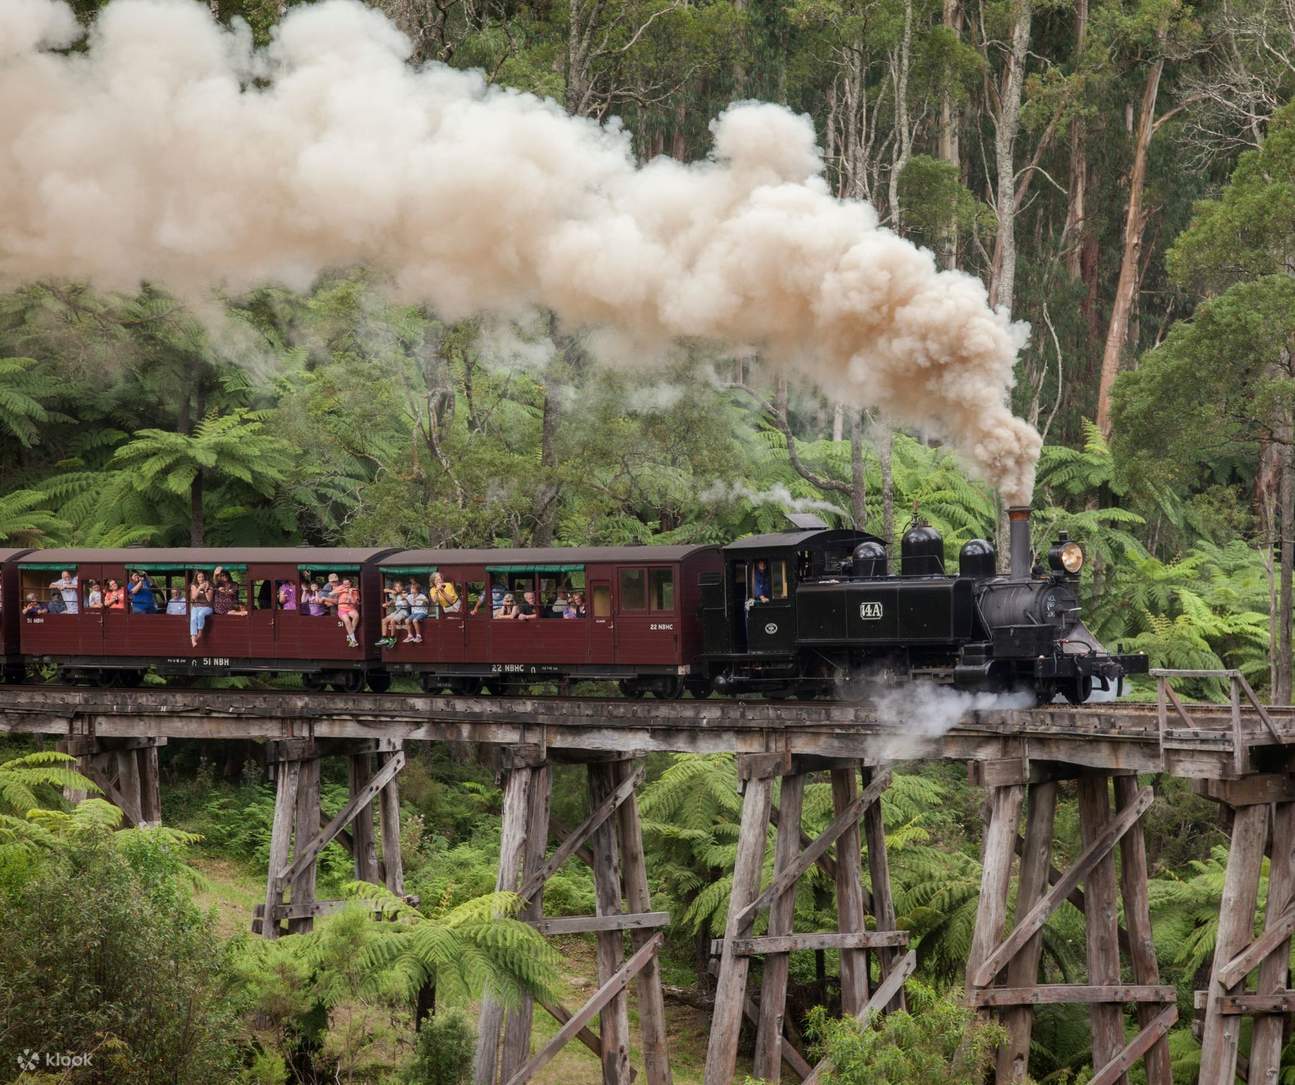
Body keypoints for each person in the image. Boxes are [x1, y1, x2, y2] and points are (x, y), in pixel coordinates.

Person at [328, 577, 360, 647]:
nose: (346, 585)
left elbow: (354, 602)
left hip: (351, 608)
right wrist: (342, 591)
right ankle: (353, 640)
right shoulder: (341, 587)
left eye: (348, 584)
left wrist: (350, 593)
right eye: (345, 584)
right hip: (342, 609)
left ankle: (350, 635)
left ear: (350, 583)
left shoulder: (354, 590)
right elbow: (331, 594)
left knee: (356, 616)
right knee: (347, 621)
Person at [189, 570, 215, 647]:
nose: (201, 578)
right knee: (193, 619)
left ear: (204, 577)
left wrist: (205, 589)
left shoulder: (209, 586)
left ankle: (200, 632)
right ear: (196, 578)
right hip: (196, 606)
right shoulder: (194, 586)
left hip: (207, 607)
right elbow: (193, 597)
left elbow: (209, 599)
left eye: (202, 577)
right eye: (199, 577)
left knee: (201, 614)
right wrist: (199, 588)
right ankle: (193, 639)